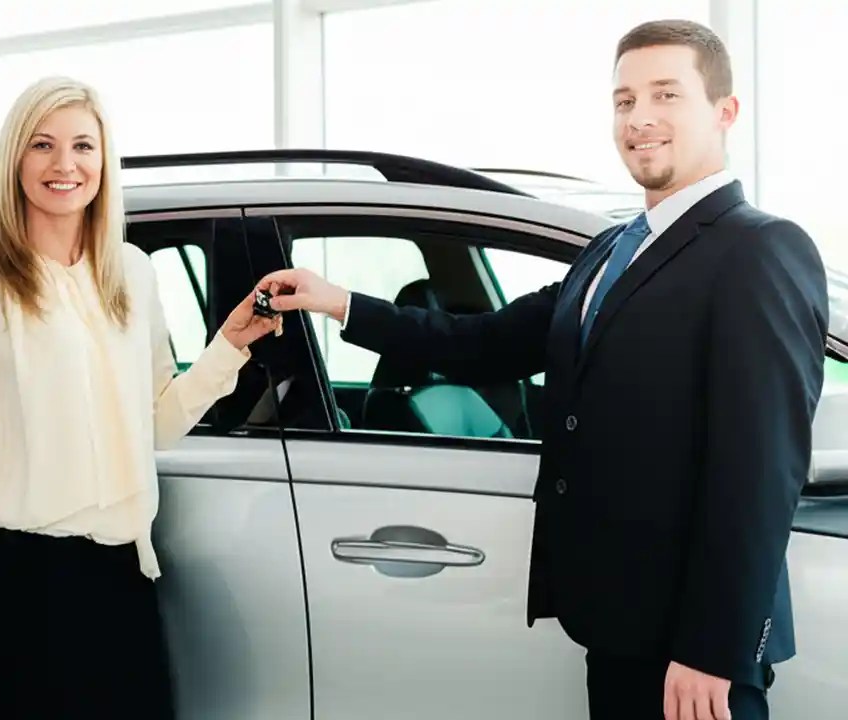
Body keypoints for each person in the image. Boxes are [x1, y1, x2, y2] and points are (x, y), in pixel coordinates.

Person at [256, 19, 828, 720]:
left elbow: (758, 469)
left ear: (724, 111)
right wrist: (339, 302)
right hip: (617, 626)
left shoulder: (758, 250)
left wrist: (717, 649)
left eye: (665, 95)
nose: (639, 119)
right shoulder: (613, 249)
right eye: (623, 101)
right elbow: (484, 342)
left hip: (693, 650)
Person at [0, 75, 281, 719]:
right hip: (27, 578)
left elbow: (157, 424)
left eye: (83, 146)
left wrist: (228, 345)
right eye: (42, 145)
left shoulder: (134, 273)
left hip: (125, 568)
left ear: (104, 160)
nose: (65, 165)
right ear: (15, 160)